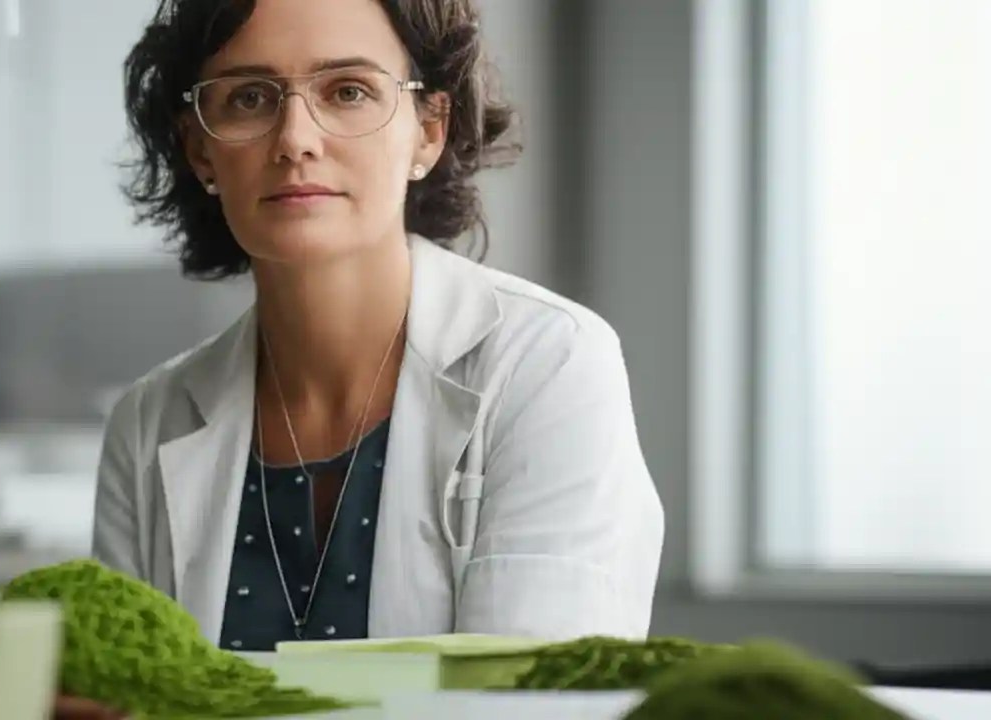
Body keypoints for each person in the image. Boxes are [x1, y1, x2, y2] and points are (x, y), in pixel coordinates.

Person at [92, 0, 665, 655]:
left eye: (349, 91)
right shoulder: (148, 422)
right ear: (200, 151)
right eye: (250, 98)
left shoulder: (548, 364)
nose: (295, 140)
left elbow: (532, 697)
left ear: (428, 131)